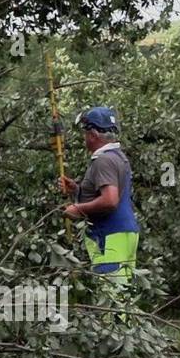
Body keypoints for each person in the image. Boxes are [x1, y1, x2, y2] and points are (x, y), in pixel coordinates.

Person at [58, 106, 140, 290]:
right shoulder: (118, 157)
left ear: (93, 134)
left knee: (111, 296)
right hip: (123, 233)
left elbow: (110, 200)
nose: (84, 137)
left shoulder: (103, 160)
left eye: (85, 132)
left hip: (109, 236)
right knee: (123, 294)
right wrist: (76, 190)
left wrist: (77, 209)